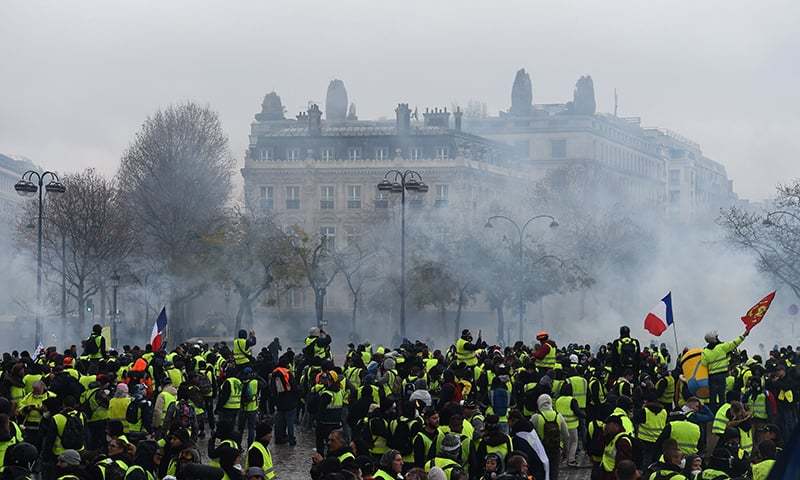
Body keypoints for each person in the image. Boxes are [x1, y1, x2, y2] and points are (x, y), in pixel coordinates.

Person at [701, 329, 748, 411]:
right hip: (722, 375)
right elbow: (734, 343)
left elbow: (704, 363)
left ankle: (713, 413)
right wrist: (744, 335)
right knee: (722, 396)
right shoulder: (722, 347)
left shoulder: (705, 351)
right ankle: (722, 412)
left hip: (711, 377)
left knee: (713, 398)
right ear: (715, 338)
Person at [531, 394, 568, 480]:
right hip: (555, 448)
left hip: (541, 450)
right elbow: (566, 435)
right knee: (554, 472)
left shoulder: (536, 417)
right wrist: (565, 449)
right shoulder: (558, 416)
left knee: (542, 473)